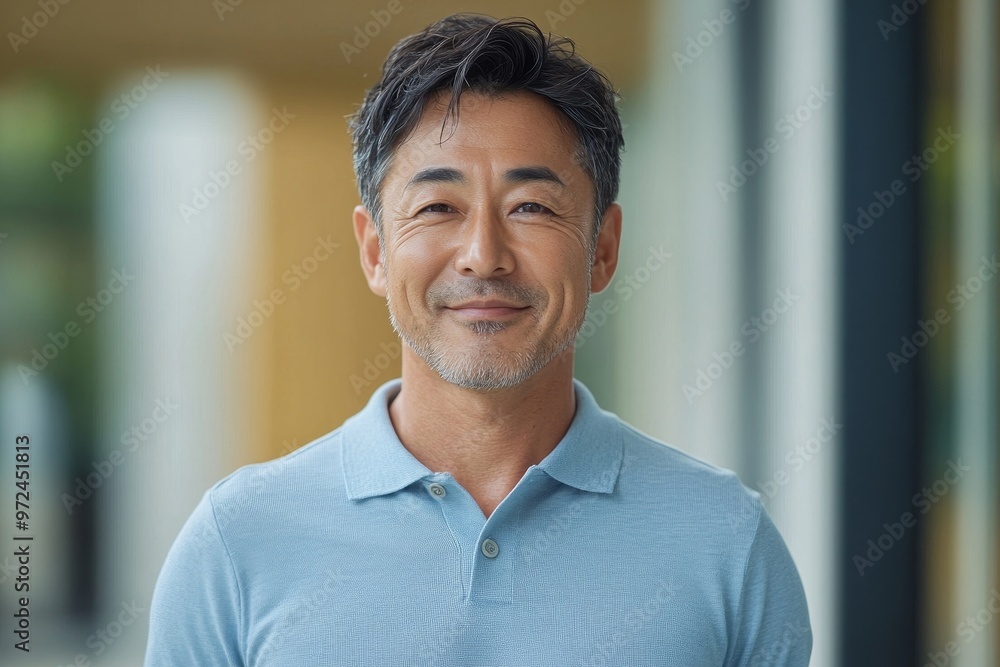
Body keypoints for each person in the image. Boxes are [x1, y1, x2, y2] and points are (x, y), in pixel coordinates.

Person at [145, 13, 811, 666]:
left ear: (603, 249)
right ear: (375, 252)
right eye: (438, 207)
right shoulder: (237, 544)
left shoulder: (726, 542)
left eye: (532, 207)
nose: (483, 256)